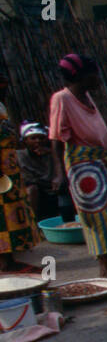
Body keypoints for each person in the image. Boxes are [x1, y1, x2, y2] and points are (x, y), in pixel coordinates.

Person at [47, 54, 107, 278]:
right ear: (82, 76)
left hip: (102, 161)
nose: (99, 78)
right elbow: (56, 139)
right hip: (84, 166)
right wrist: (60, 174)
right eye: (95, 74)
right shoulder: (62, 99)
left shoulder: (87, 96)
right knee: (97, 216)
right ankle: (106, 269)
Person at [1, 71, 39, 274]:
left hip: (10, 169)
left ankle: (10, 259)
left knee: (12, 215)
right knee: (2, 218)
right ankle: (5, 263)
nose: (5, 87)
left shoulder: (2, 106)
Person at [18, 122, 74, 225]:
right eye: (33, 138)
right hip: (39, 191)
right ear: (25, 141)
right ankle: (32, 222)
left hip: (56, 190)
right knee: (31, 190)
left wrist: (50, 153)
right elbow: (28, 180)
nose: (38, 141)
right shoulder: (20, 156)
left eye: (41, 138)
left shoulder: (53, 153)